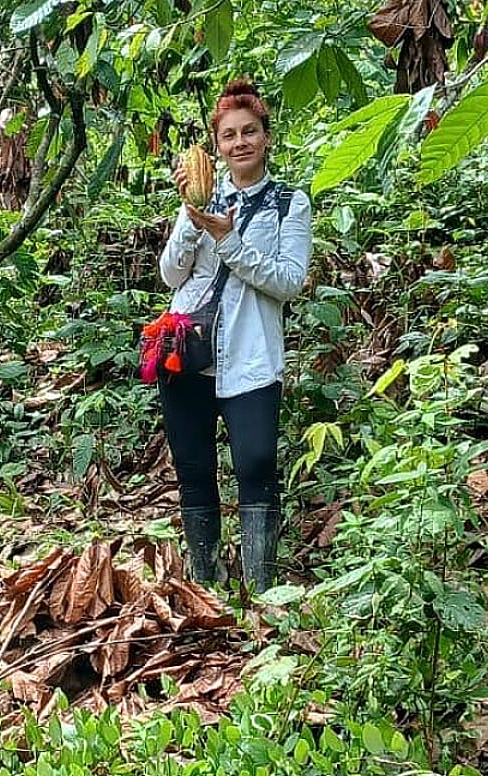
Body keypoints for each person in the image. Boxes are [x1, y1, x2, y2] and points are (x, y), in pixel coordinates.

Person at [158, 79, 313, 592]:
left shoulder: (290, 204)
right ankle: (205, 584)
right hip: (187, 354)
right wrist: (191, 219)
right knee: (194, 468)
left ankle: (261, 593)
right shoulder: (200, 196)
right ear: (218, 145)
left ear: (266, 136)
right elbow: (171, 276)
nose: (240, 142)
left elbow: (288, 281)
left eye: (249, 131)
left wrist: (230, 241)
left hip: (251, 356)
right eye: (229, 135)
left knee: (256, 464)